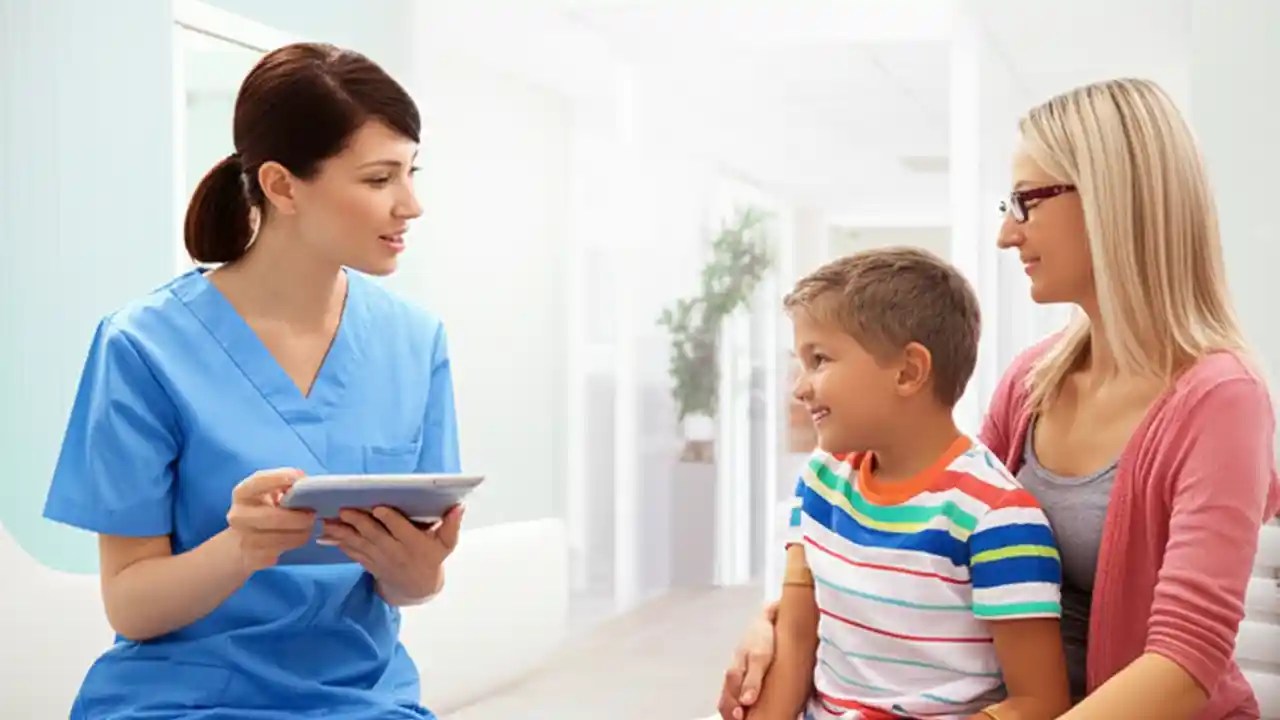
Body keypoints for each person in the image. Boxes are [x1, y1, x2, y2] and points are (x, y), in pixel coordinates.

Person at [718, 78, 1280, 720]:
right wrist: (785, 620)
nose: (1006, 235)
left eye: (1025, 202)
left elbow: (1185, 664)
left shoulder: (1221, 400)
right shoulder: (1033, 379)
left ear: (1109, 200)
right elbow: (943, 535)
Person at [42, 42, 464, 719]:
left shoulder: (416, 343)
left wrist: (414, 570)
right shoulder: (143, 347)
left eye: (412, 172)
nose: (410, 204)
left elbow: (414, 586)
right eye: (380, 179)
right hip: (180, 699)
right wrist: (241, 549)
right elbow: (130, 603)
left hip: (358, 700)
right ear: (282, 185)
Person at [749, 247, 1070, 720]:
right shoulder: (820, 481)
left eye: (819, 360)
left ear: (908, 371)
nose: (800, 387)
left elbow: (1039, 703)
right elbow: (796, 638)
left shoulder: (996, 518)